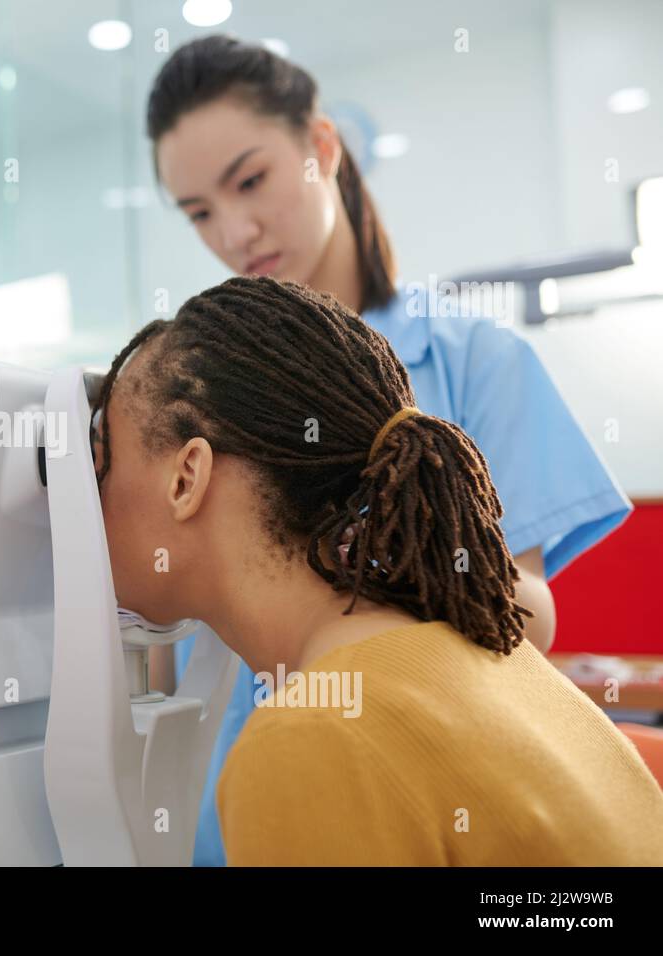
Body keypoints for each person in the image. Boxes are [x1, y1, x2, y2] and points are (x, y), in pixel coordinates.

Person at [144, 35, 631, 864]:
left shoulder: (474, 361)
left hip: (412, 816)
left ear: (321, 148)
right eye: (198, 212)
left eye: (250, 180)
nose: (235, 230)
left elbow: (521, 612)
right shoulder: (194, 401)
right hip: (227, 825)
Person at [91, 276, 663, 865]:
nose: (91, 493)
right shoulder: (491, 662)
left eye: (104, 458)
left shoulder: (309, 745)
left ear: (186, 479)